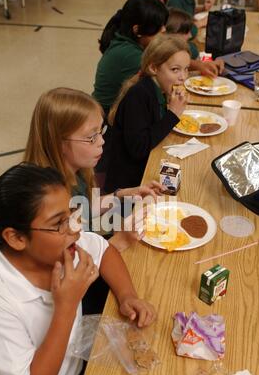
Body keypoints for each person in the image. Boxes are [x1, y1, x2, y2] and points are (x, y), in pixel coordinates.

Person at [0, 163, 156, 375]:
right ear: (16, 237)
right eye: (59, 222)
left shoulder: (60, 242)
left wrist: (127, 295)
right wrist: (67, 305)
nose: (75, 228)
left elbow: (104, 250)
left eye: (72, 213)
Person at [24, 87, 164, 253]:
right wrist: (120, 241)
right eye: (91, 137)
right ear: (58, 143)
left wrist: (121, 195)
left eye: (100, 131)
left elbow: (85, 208)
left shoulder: (74, 171)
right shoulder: (48, 204)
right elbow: (76, 265)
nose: (102, 141)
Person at [104, 34, 190, 193]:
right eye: (175, 70)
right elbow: (139, 148)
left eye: (186, 69)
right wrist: (173, 114)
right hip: (129, 186)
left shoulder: (161, 88)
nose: (183, 77)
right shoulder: (139, 95)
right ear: (153, 68)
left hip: (147, 167)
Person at [93, 0, 169, 117]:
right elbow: (166, 74)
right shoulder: (131, 55)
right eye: (158, 27)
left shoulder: (126, 42)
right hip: (106, 121)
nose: (164, 30)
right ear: (137, 30)